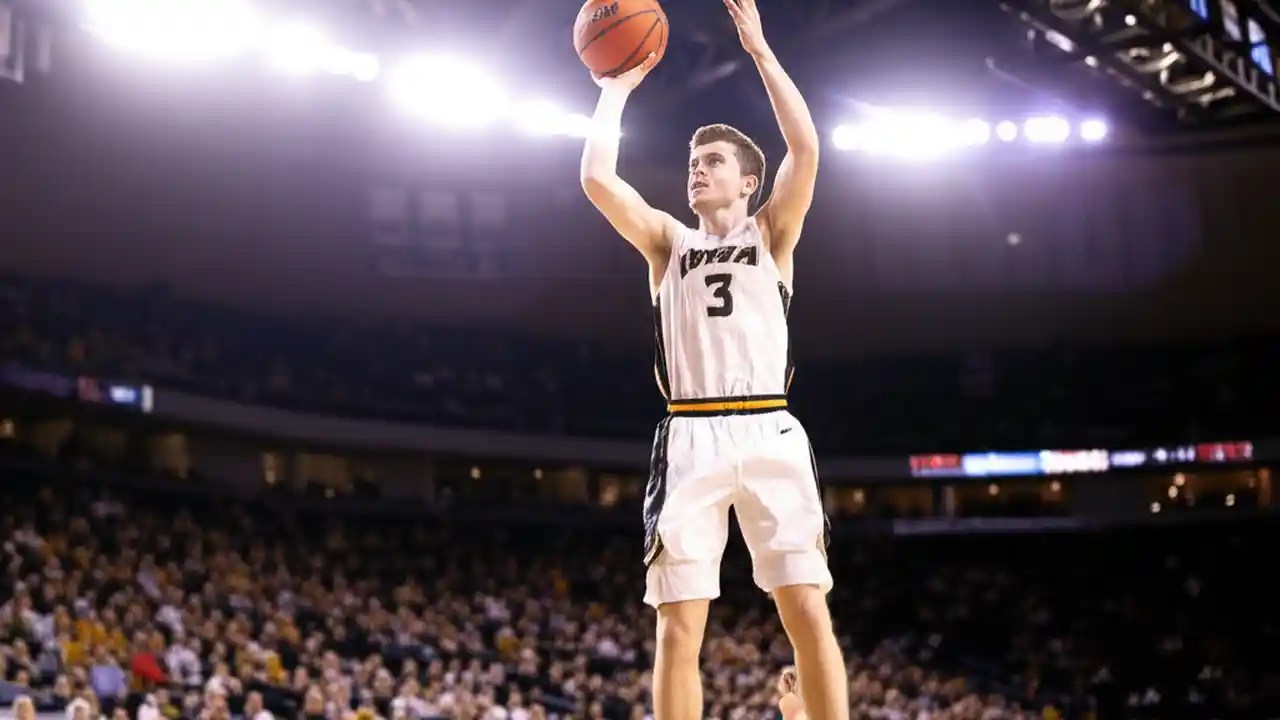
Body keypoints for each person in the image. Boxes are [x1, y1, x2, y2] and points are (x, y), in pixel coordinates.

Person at [578, 1, 849, 718]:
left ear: (746, 181)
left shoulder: (774, 234)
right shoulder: (669, 242)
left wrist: (761, 52)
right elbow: (598, 181)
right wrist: (615, 90)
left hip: (769, 429)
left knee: (807, 611)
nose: (696, 171)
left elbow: (808, 148)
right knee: (678, 625)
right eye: (693, 163)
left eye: (713, 163)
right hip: (692, 432)